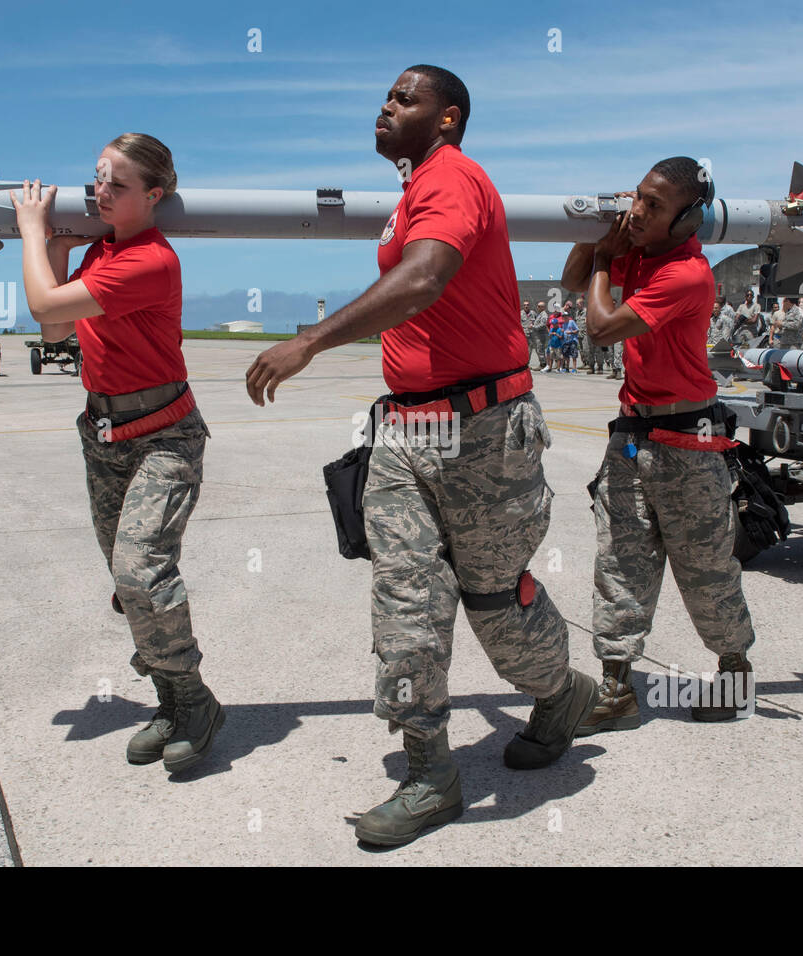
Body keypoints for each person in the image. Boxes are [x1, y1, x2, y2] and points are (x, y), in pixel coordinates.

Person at [245, 65, 596, 848]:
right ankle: (431, 774)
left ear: (447, 118)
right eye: (385, 94)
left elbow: (430, 275)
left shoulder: (455, 177)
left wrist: (310, 339)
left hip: (484, 436)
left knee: (495, 607)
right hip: (405, 435)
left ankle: (560, 690)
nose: (385, 104)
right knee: (406, 605)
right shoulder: (413, 191)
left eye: (404, 97)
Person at [10, 134, 222, 775]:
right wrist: (53, 248)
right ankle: (170, 701)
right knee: (130, 588)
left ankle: (194, 704)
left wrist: (28, 227)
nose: (99, 191)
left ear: (154, 196)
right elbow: (52, 329)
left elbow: (44, 303)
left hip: (163, 436)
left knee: (139, 570)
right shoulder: (103, 252)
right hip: (104, 439)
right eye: (97, 179)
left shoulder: (150, 261)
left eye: (117, 184)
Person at [559, 156, 757, 731]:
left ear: (689, 218)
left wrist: (605, 259)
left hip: (689, 440)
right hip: (633, 433)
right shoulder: (640, 252)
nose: (639, 212)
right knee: (620, 560)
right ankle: (617, 684)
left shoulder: (687, 273)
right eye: (638, 198)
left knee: (706, 568)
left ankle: (735, 674)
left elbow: (599, 327)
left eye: (654, 205)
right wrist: (603, 239)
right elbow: (575, 282)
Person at [532, 300, 549, 369]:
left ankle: (543, 364)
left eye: (539, 306)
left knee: (540, 350)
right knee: (539, 349)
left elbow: (543, 325)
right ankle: (542, 363)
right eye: (537, 306)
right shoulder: (540, 314)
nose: (537, 307)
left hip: (541, 335)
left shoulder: (544, 315)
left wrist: (534, 327)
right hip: (538, 335)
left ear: (543, 307)